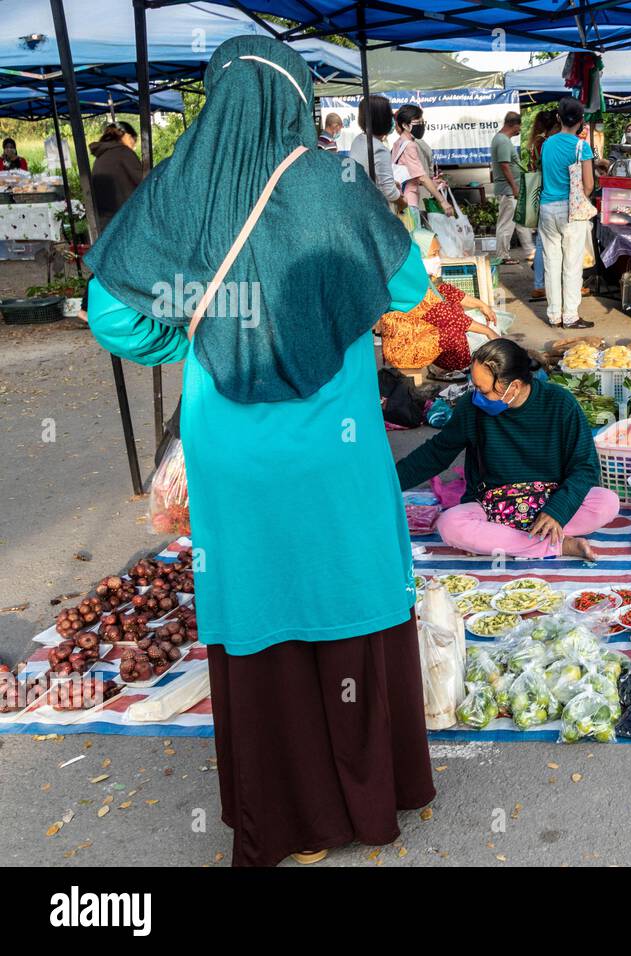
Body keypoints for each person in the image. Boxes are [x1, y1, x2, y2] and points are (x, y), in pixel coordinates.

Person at [82, 35, 435, 867]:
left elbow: (114, 315)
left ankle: (294, 825)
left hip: (232, 451)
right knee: (349, 600)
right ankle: (373, 798)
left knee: (264, 617)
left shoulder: (177, 187)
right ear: (294, 102)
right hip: (335, 445)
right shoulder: (330, 180)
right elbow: (410, 284)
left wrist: (208, 335)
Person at [395, 339, 619, 560]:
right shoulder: (470, 408)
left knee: (607, 502)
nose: (477, 397)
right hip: (492, 508)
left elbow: (585, 466)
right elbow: (435, 453)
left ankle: (504, 540)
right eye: (475, 387)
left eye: (484, 391)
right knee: (450, 525)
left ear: (514, 386)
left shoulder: (559, 403)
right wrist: (389, 484)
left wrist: (557, 511)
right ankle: (558, 546)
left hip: (548, 501)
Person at [537, 97, 595, 329]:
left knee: (552, 262)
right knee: (571, 264)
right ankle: (570, 315)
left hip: (547, 208)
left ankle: (554, 315)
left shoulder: (547, 144)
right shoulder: (582, 147)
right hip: (571, 210)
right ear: (581, 121)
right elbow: (588, 185)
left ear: (559, 118)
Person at [381, 270, 501, 374]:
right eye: (433, 253)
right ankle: (448, 369)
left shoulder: (424, 283)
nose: (437, 258)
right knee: (453, 332)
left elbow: (451, 293)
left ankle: (448, 366)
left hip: (422, 337)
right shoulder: (413, 293)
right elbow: (452, 317)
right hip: (403, 351)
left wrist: (481, 305)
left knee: (451, 310)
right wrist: (488, 331)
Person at [490, 111, 535, 265]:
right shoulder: (502, 141)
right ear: (512, 124)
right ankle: (502, 255)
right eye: (519, 126)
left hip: (511, 190)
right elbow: (504, 165)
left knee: (521, 222)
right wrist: (514, 187)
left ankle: (530, 251)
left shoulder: (503, 139)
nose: (520, 130)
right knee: (506, 223)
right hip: (508, 191)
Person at [525, 109, 560, 302]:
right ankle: (540, 285)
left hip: (538, 194)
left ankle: (540, 285)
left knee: (541, 242)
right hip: (546, 193)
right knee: (543, 243)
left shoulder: (536, 142)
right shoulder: (545, 143)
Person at [391, 104, 451, 215]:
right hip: (409, 201)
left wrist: (433, 182)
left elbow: (409, 174)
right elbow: (422, 177)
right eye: (417, 122)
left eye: (422, 122)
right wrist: (443, 202)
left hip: (399, 200)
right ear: (405, 125)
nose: (421, 125)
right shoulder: (410, 145)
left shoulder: (398, 143)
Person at [88, 122, 145, 229]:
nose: (134, 145)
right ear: (127, 136)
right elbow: (145, 182)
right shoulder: (124, 153)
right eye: (134, 140)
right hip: (124, 220)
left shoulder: (101, 156)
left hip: (103, 220)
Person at [351, 93, 401, 207]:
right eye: (390, 115)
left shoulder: (357, 140)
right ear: (383, 119)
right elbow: (390, 193)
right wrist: (403, 203)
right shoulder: (379, 149)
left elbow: (350, 175)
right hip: (373, 210)